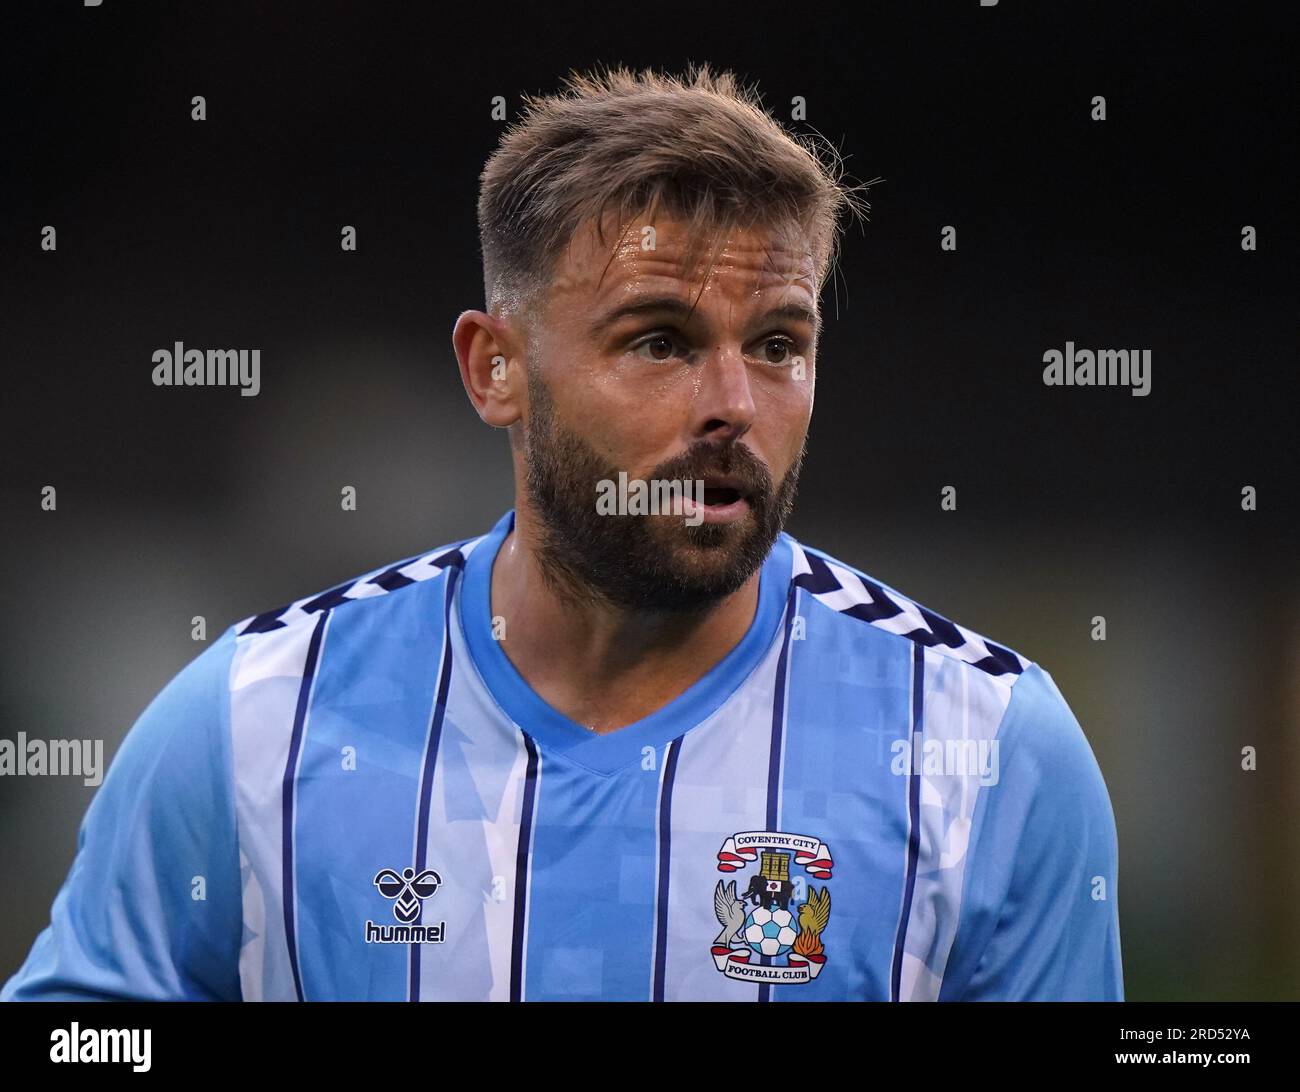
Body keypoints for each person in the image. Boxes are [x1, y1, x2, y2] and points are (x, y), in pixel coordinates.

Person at [2, 63, 1121, 1001]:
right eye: (660, 340)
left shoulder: (984, 751)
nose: (733, 402)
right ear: (496, 369)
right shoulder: (252, 724)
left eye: (778, 344)